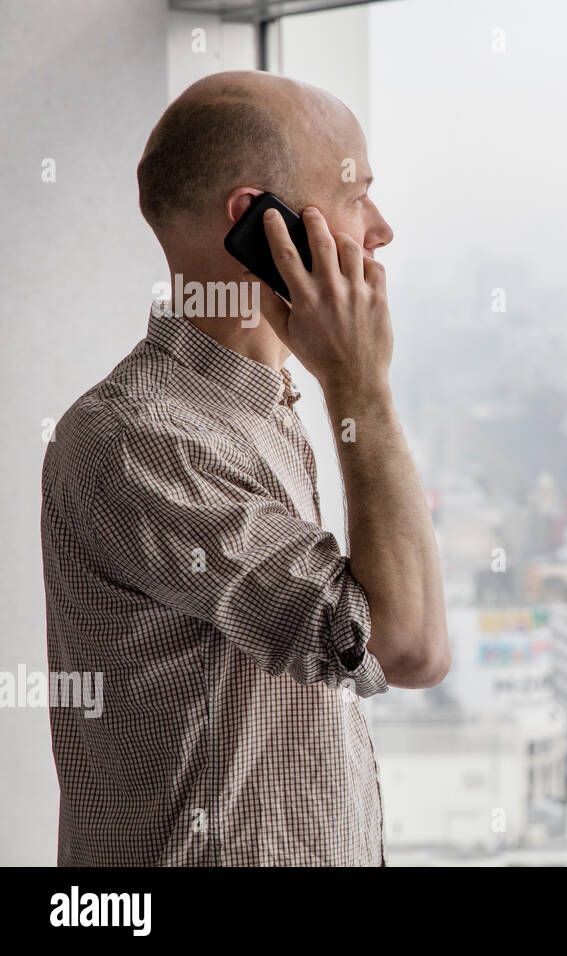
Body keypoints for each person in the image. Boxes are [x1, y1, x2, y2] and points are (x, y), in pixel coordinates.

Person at [40, 70, 449, 866]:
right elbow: (410, 648)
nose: (382, 228)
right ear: (260, 223)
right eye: (357, 192)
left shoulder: (257, 410)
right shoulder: (146, 440)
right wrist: (361, 381)